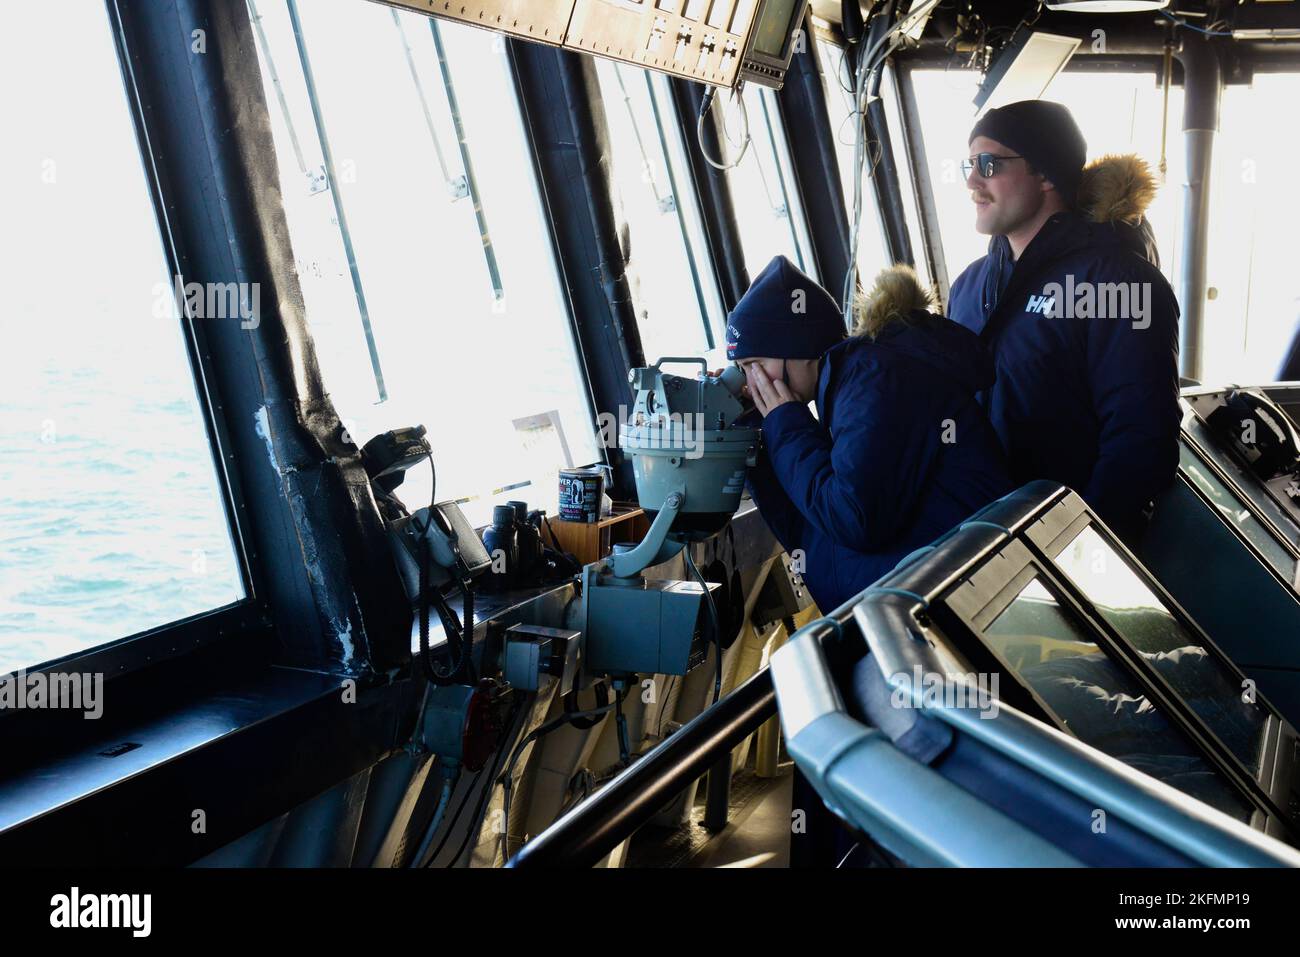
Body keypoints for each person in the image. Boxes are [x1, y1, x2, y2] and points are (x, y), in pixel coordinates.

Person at [947, 100, 1181, 545]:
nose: (972, 181)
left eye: (989, 164)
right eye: (969, 165)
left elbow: (1140, 440)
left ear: (1047, 174)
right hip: (981, 543)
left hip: (1072, 555)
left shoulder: (1119, 282)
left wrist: (1080, 546)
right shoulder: (967, 288)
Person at [732, 254, 1013, 613]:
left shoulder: (873, 381)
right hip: (948, 594)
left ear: (797, 348)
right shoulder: (851, 386)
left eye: (756, 365)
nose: (751, 384)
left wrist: (786, 426)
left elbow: (855, 518)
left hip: (962, 597)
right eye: (743, 371)